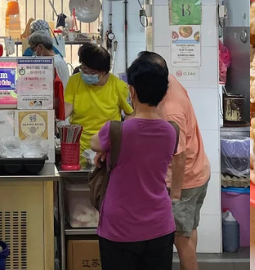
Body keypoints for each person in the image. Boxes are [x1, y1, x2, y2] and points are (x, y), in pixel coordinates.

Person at [90, 57, 177, 270]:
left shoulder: (116, 130)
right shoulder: (171, 131)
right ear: (164, 93)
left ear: (132, 91)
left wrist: (106, 151)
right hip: (160, 225)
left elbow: (94, 143)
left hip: (119, 227)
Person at [139, 52, 210, 270]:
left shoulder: (171, 111)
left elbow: (179, 157)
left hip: (185, 180)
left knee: (181, 238)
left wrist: (175, 198)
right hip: (199, 172)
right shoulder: (169, 80)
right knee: (188, 230)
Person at [65, 43, 134, 148]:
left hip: (107, 144)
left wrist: (123, 137)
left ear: (104, 72)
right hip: (79, 143)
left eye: (92, 73)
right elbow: (66, 108)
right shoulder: (74, 81)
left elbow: (130, 114)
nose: (87, 75)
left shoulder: (119, 86)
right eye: (84, 70)